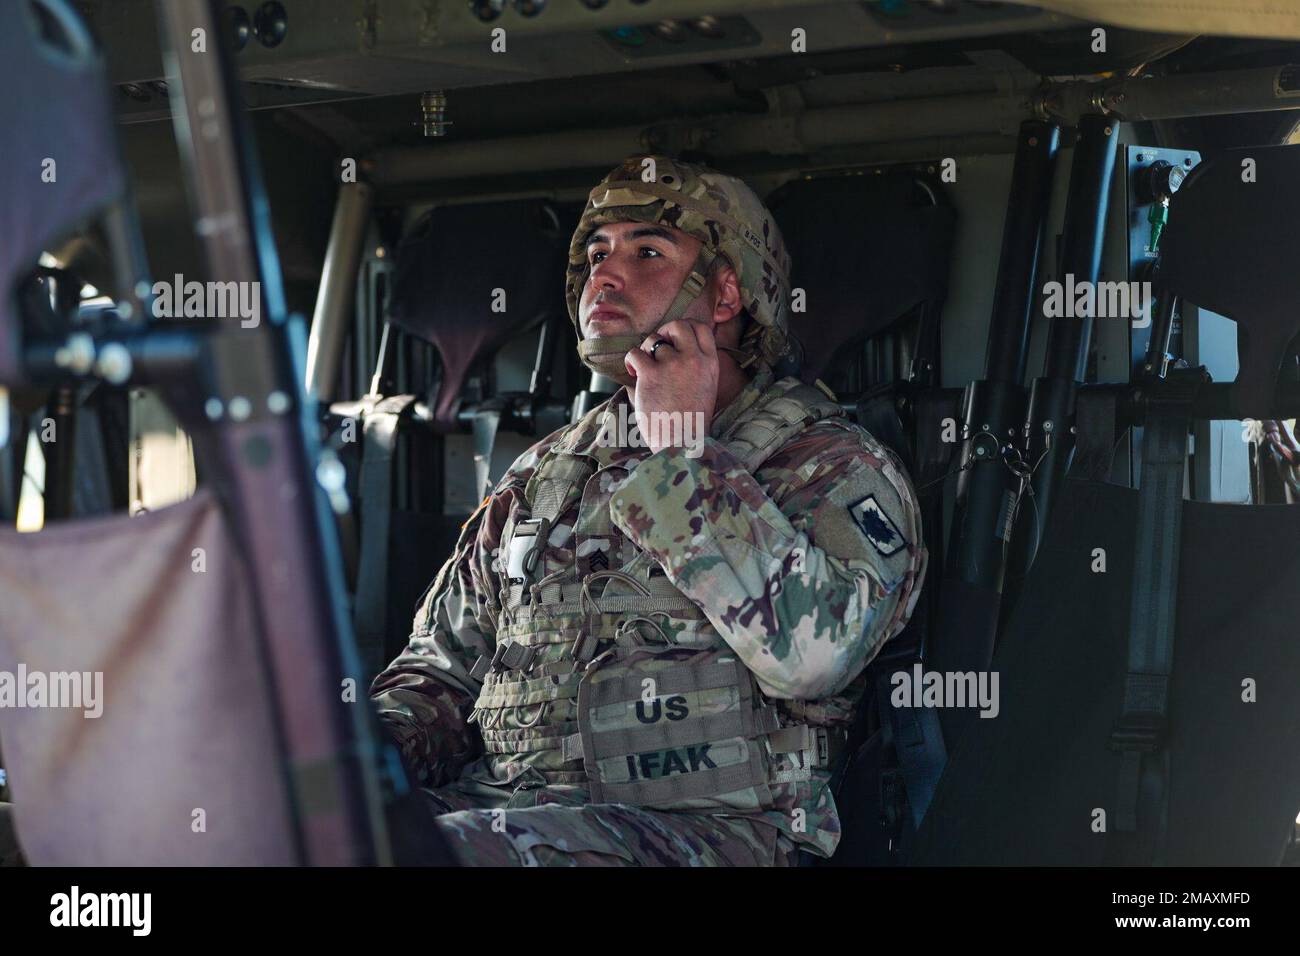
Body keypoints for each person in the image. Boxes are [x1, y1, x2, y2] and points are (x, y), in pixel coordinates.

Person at [370, 154, 927, 866]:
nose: (605, 274)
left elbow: (812, 658)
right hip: (510, 817)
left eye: (647, 252)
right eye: (597, 252)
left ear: (725, 294)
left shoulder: (828, 464)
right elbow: (444, 672)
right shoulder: (547, 470)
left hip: (714, 837)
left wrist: (681, 460)